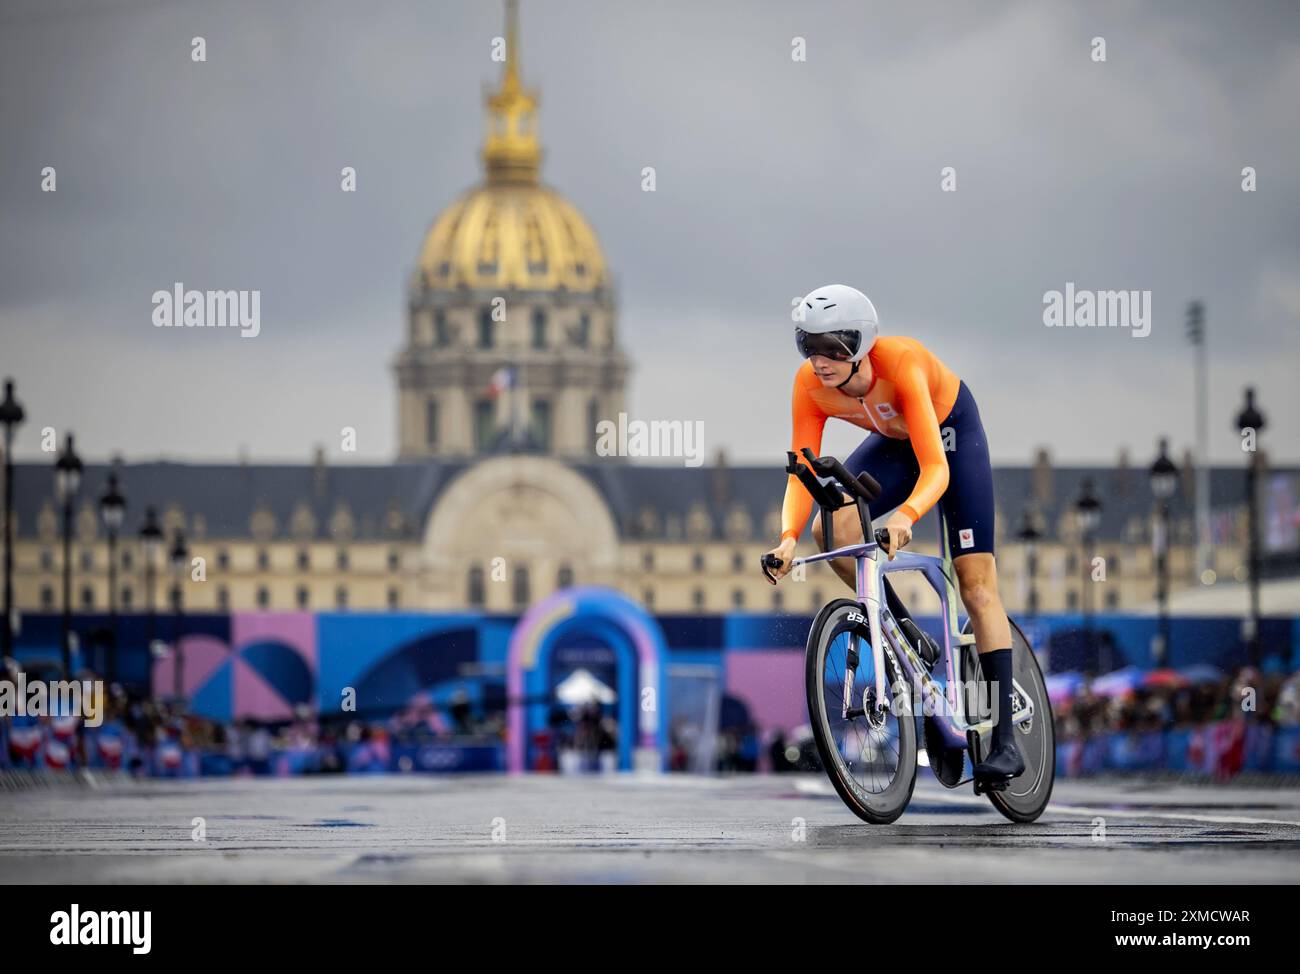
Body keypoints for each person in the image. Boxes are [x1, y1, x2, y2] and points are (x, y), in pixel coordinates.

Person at [762, 284, 1023, 782]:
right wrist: (787, 538)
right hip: (894, 442)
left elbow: (936, 469)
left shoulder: (901, 364)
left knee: (975, 584)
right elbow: (803, 473)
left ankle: (1007, 742)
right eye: (807, 345)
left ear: (860, 344)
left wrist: (906, 516)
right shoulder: (808, 384)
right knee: (830, 528)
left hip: (950, 438)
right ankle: (905, 634)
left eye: (832, 347)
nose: (820, 360)